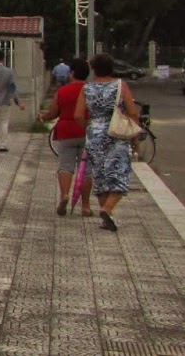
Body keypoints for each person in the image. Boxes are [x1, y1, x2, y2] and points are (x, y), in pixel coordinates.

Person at [74, 52, 140, 232]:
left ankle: (106, 217)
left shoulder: (86, 88)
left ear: (94, 69)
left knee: (100, 175)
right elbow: (132, 112)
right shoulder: (121, 85)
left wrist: (91, 126)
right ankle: (107, 209)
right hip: (116, 133)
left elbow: (78, 115)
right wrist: (135, 135)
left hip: (95, 133)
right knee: (120, 173)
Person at [41, 57, 92, 217]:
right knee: (86, 170)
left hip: (66, 131)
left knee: (65, 166)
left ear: (72, 73)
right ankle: (85, 206)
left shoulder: (62, 91)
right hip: (87, 131)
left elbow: (53, 113)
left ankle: (64, 195)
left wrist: (43, 117)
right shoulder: (92, 90)